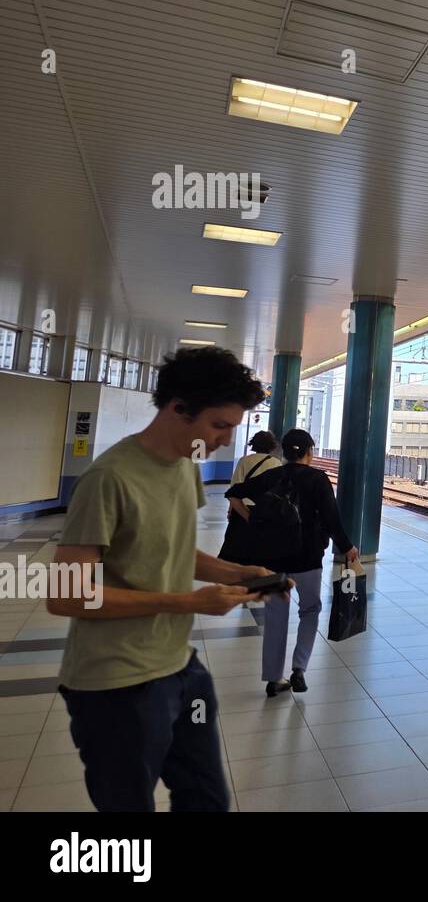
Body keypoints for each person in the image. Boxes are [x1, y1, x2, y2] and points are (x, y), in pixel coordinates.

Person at [48, 346, 280, 812]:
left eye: (234, 428)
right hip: (116, 684)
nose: (226, 439)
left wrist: (242, 573)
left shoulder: (183, 467)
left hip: (180, 668)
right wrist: (190, 604)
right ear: (178, 408)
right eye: (220, 425)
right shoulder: (108, 478)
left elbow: (172, 550)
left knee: (206, 800)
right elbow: (66, 596)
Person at [225, 428, 359, 696]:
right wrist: (347, 547)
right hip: (307, 557)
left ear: (283, 453)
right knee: (310, 609)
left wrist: (251, 519)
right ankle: (299, 668)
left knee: (275, 616)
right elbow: (331, 519)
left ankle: (274, 679)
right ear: (310, 451)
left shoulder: (272, 475)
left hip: (269, 559)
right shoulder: (318, 479)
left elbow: (234, 491)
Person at [219, 429, 281, 563]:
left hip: (241, 510)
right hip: (264, 512)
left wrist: (231, 509)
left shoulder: (244, 461)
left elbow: (234, 489)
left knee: (236, 548)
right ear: (272, 445)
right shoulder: (276, 463)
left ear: (254, 444)